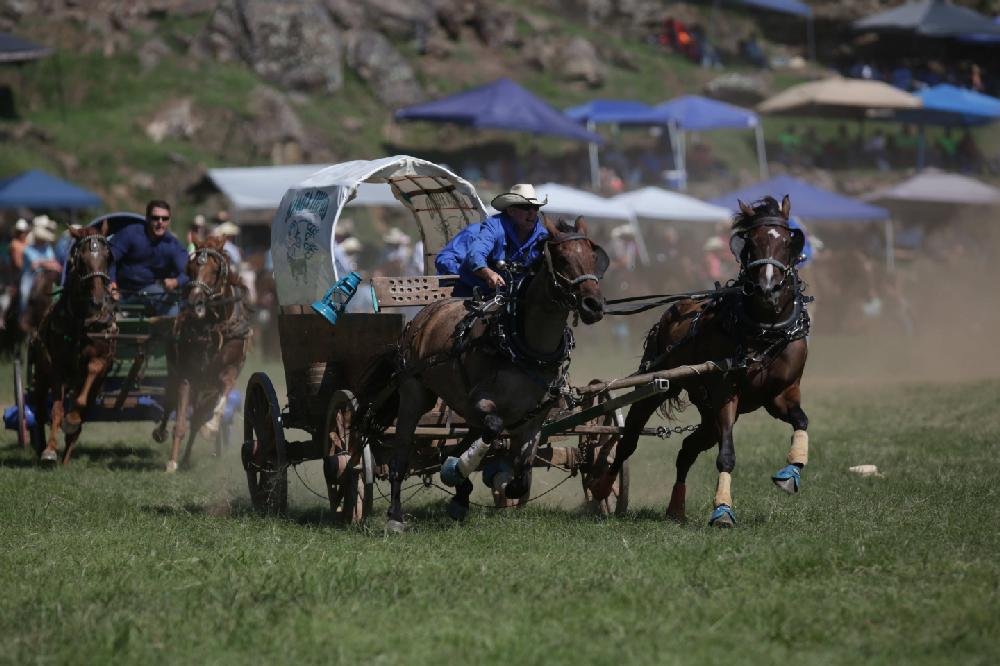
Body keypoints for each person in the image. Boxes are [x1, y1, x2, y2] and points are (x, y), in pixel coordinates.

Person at [460, 183, 550, 293]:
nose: (532, 213)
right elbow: (475, 254)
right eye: (526, 207)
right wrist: (489, 273)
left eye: (535, 208)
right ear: (511, 211)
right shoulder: (494, 226)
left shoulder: (542, 235)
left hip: (516, 294)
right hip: (473, 289)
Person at [109, 199, 189, 315]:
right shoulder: (130, 233)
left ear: (169, 221)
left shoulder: (172, 245)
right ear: (147, 218)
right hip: (118, 289)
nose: (160, 222)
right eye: (155, 218)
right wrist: (111, 282)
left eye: (164, 218)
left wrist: (176, 282)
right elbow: (109, 258)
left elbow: (188, 271)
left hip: (148, 291)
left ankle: (167, 332)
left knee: (171, 303)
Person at [20, 223, 61, 312]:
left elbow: (52, 261)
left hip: (46, 274)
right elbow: (35, 264)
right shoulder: (28, 249)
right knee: (24, 294)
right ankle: (22, 314)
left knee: (57, 291)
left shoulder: (47, 247)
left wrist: (44, 263)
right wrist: (47, 263)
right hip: (30, 276)